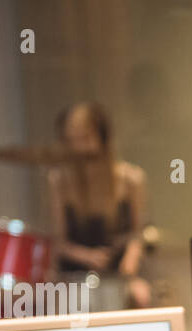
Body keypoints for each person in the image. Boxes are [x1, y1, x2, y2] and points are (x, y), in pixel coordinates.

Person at [46, 101, 152, 308]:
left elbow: (137, 233)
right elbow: (58, 241)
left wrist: (130, 261)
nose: (79, 148)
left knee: (141, 296)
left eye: (85, 138)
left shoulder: (131, 179)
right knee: (56, 300)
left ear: (102, 137)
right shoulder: (59, 180)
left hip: (119, 273)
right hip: (74, 274)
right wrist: (87, 256)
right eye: (71, 140)